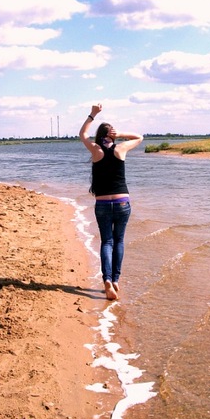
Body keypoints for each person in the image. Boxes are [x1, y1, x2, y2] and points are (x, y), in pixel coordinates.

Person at [79, 104, 143, 300]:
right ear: (112, 135)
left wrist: (93, 114)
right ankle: (115, 280)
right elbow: (139, 137)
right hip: (122, 202)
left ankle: (107, 280)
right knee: (119, 241)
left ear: (99, 135)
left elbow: (82, 134)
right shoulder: (121, 148)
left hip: (103, 204)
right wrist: (120, 134)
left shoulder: (95, 149)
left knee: (107, 241)